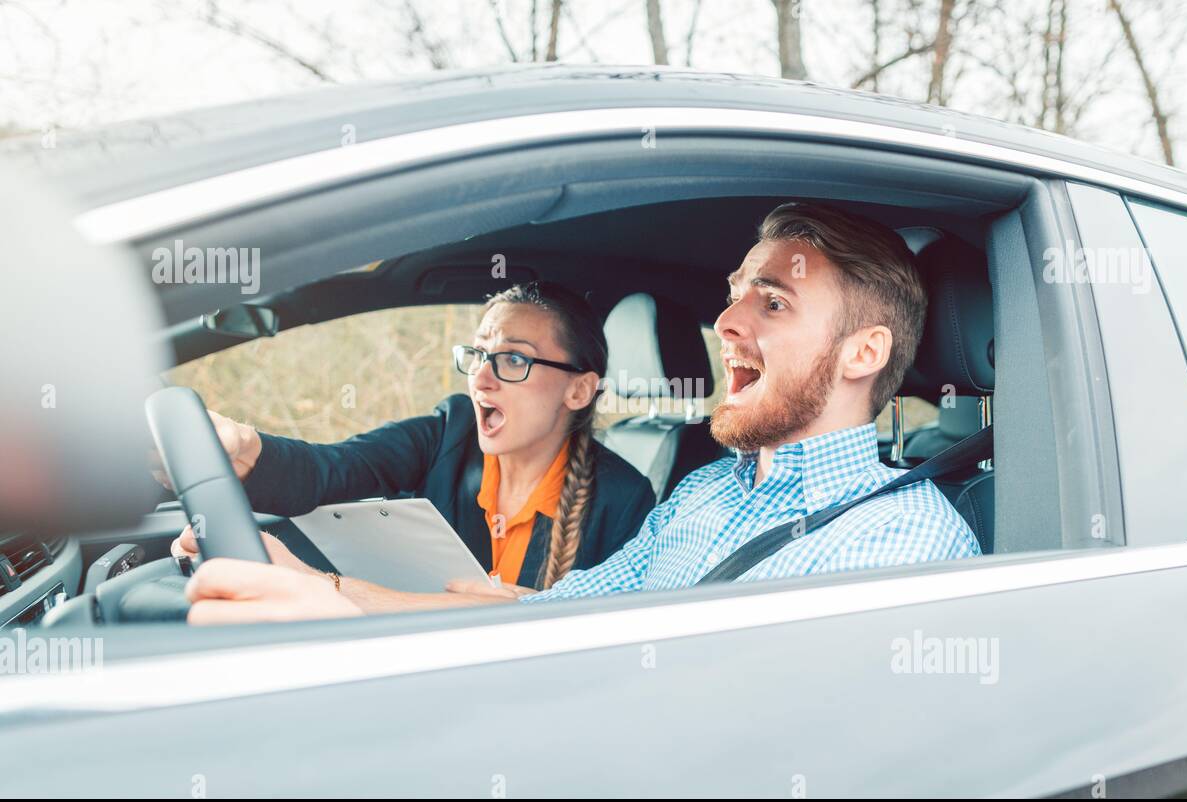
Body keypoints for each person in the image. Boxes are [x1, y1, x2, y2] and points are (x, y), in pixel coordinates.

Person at [181, 202, 980, 624]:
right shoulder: (703, 496)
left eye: (772, 301)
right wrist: (323, 592)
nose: (728, 323)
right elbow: (550, 616)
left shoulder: (902, 543)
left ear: (863, 354)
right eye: (735, 293)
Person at [171, 281, 656, 607]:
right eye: (479, 354)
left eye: (513, 360)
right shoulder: (451, 430)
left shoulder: (623, 498)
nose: (482, 379)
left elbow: (599, 631)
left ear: (577, 389)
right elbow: (334, 469)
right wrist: (246, 449)